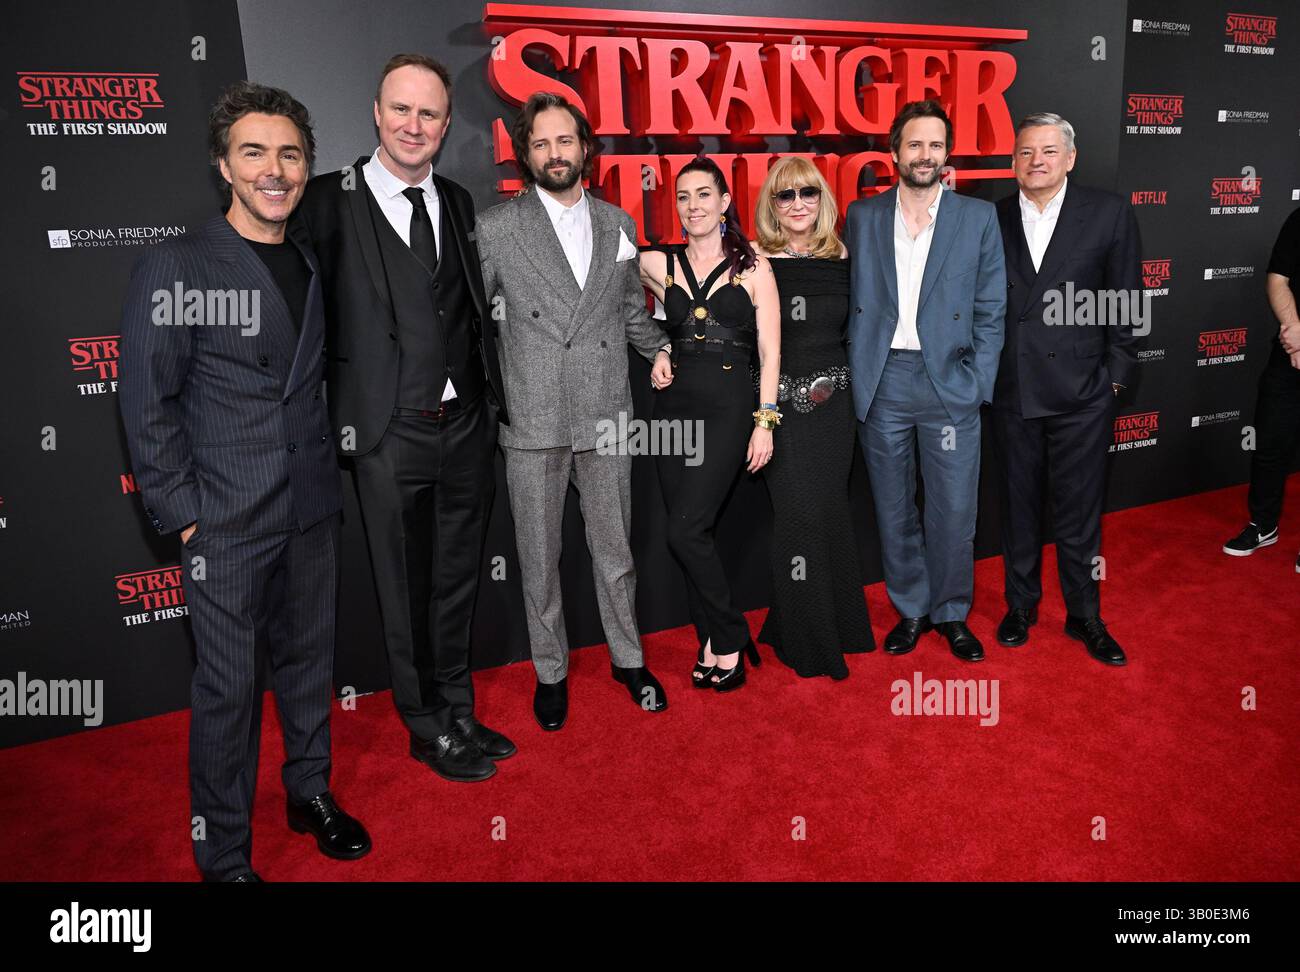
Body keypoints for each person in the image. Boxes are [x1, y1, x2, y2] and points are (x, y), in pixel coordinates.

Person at [118, 81, 369, 882]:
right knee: (227, 695)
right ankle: (223, 855)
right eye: (255, 152)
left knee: (307, 667)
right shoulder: (177, 262)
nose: (275, 169)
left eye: (290, 154)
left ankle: (309, 792)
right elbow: (145, 400)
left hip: (309, 505)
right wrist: (186, 517)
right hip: (225, 521)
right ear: (224, 165)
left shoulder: (304, 259)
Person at [293, 54, 515, 783]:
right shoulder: (327, 201)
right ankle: (424, 725)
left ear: (446, 126)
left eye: (428, 114)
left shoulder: (454, 199)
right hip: (385, 433)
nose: (413, 125)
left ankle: (457, 706)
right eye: (401, 110)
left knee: (456, 580)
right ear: (376, 114)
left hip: (466, 423)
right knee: (403, 586)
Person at [478, 92, 674, 729]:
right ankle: (550, 670)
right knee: (538, 557)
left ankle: (627, 657)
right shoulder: (497, 229)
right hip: (533, 420)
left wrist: (667, 347)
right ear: (524, 153)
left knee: (614, 550)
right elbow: (474, 324)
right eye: (540, 143)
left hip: (607, 410)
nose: (554, 153)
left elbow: (625, 311)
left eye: (565, 141)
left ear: (585, 148)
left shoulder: (618, 222)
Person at [844, 99, 1007, 662]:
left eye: (935, 145)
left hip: (950, 384)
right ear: (894, 153)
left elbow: (991, 306)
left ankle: (952, 613)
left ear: (946, 154)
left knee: (954, 510)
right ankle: (912, 609)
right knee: (893, 507)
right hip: (884, 381)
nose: (925, 154)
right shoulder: (862, 217)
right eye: (914, 144)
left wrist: (978, 380)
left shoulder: (976, 217)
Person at [992, 113, 1141, 665]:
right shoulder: (994, 218)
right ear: (1013, 162)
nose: (1037, 162)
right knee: (1019, 506)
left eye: (1049, 152)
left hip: (1082, 393)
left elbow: (1126, 299)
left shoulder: (1108, 212)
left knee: (1079, 512)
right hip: (1014, 389)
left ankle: (1084, 615)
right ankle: (1021, 604)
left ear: (1070, 158)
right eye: (1026, 153)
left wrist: (1114, 380)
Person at [639, 157, 781, 691]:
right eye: (683, 197)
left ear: (725, 203)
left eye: (704, 195)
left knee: (686, 528)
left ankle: (729, 634)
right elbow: (618, 301)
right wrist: (656, 346)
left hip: (729, 408)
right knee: (688, 532)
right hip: (672, 411)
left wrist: (765, 421)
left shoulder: (755, 267)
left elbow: (770, 351)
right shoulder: (657, 264)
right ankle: (714, 641)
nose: (693, 206)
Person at [751, 157, 874, 678]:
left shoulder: (842, 254)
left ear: (822, 199)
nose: (798, 203)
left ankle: (833, 623)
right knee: (798, 517)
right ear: (771, 205)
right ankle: (810, 641)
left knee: (828, 514)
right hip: (779, 408)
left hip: (834, 406)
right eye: (785, 195)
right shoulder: (754, 259)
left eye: (808, 193)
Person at [1223, 205, 1300, 574]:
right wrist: (1295, 335)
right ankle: (1263, 525)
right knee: (1268, 442)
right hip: (1290, 354)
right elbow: (1278, 278)